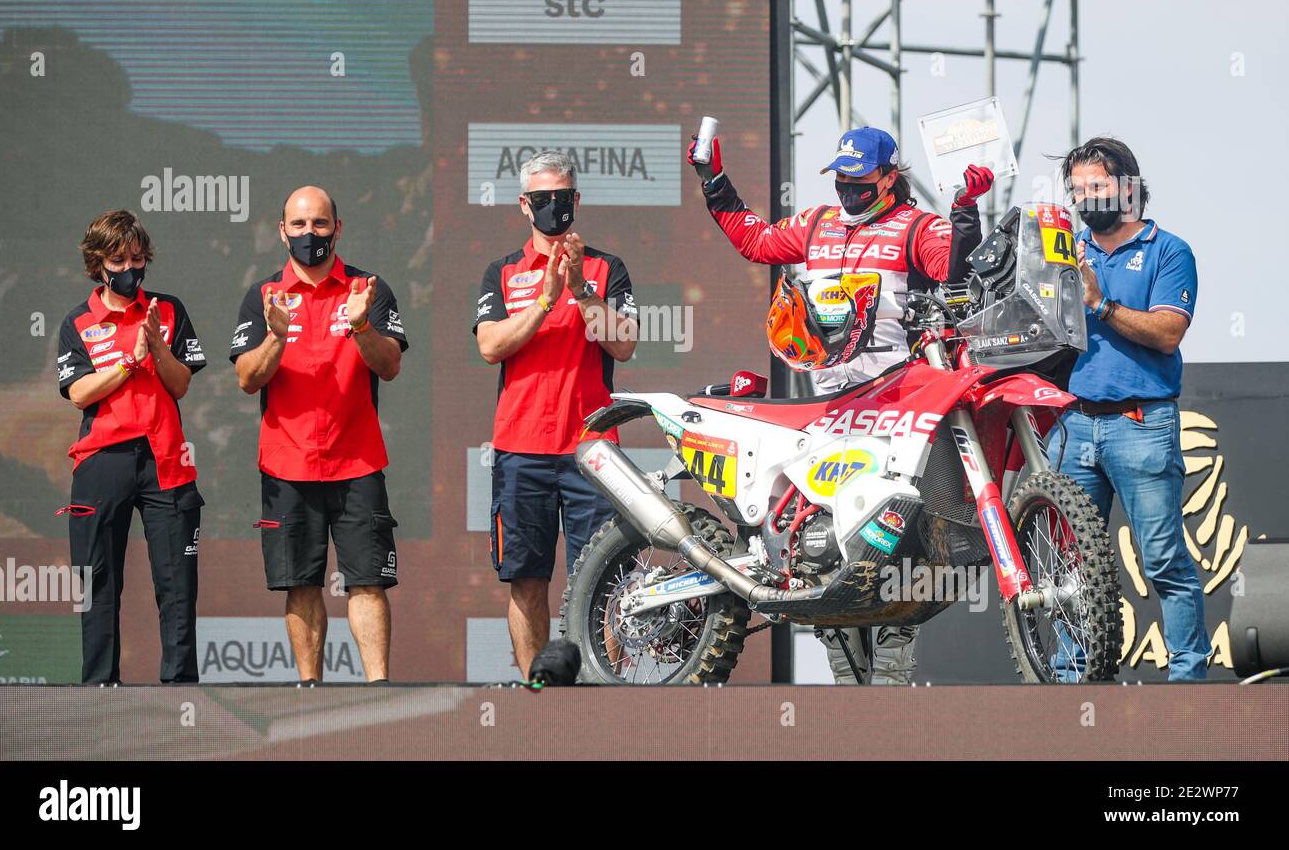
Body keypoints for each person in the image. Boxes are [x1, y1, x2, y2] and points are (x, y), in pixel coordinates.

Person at [688, 126, 990, 685]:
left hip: (901, 402)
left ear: (889, 177)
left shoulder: (916, 227)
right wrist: (715, 183)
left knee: (902, 535)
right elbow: (755, 241)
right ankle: (845, 677)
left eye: (860, 181)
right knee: (823, 540)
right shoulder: (817, 223)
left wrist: (967, 211)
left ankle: (896, 664)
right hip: (829, 403)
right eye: (841, 179)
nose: (848, 190)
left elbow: (957, 271)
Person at [1045, 136, 1209, 681]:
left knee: (1162, 559)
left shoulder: (1169, 250)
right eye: (1078, 189)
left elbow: (1167, 333)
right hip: (1072, 426)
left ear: (1130, 186)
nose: (1086, 197)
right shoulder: (1063, 251)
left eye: (1098, 185)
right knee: (1071, 563)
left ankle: (1188, 677)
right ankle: (1074, 675)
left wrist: (1101, 303)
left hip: (1141, 422)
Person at [230, 186, 407, 684]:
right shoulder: (263, 295)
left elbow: (389, 366)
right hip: (288, 464)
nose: (312, 235)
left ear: (338, 228)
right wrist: (275, 336)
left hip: (357, 462)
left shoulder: (368, 289)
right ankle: (310, 690)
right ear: (282, 231)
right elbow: (247, 378)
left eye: (321, 224)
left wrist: (361, 329)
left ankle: (379, 691)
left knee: (369, 583)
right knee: (300, 585)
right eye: (301, 225)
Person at [474, 150, 640, 679]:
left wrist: (580, 291)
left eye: (562, 198)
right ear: (525, 205)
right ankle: (535, 696)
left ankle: (608, 694)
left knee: (605, 578)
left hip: (593, 450)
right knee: (526, 580)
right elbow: (490, 347)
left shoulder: (605, 267)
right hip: (521, 448)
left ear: (577, 200)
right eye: (543, 200)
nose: (554, 208)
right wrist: (545, 300)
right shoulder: (501, 271)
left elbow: (624, 345)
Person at [56, 209, 207, 685]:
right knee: (97, 581)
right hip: (102, 461)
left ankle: (181, 689)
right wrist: (128, 361)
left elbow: (180, 385)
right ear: (97, 263)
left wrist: (158, 348)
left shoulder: (168, 308)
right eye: (118, 260)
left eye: (138, 259)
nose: (130, 269)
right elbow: (78, 392)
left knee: (176, 583)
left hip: (165, 458)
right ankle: (100, 686)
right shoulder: (78, 321)